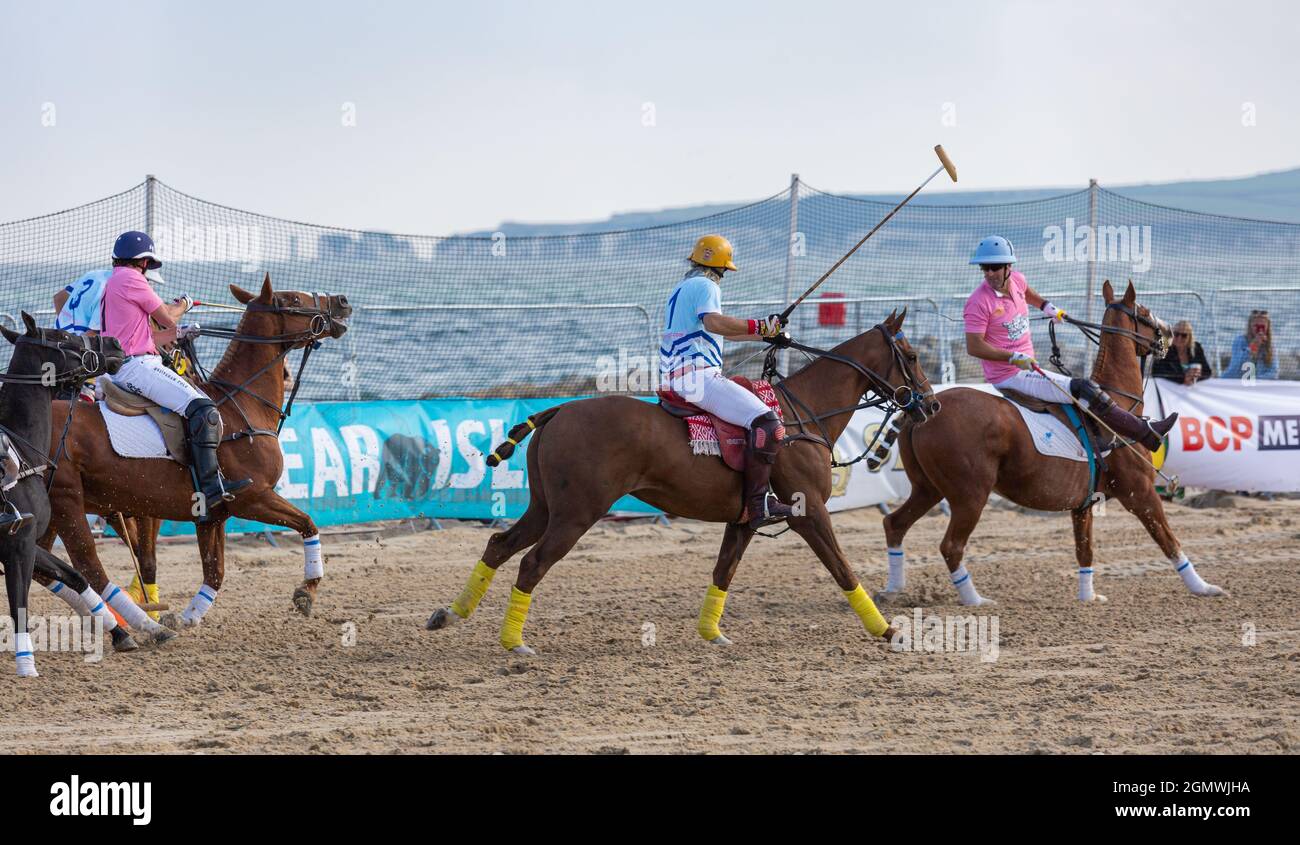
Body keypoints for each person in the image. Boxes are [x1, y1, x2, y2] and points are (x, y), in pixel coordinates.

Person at [962, 235, 1176, 450]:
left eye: (995, 267)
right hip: (1009, 376)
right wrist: (1012, 357)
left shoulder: (1017, 279)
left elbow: (1027, 293)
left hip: (1028, 367)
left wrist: (1049, 308)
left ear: (1009, 266)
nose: (989, 273)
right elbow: (974, 346)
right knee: (1083, 387)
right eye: (985, 268)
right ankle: (1145, 432)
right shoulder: (978, 302)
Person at [99, 231, 250, 519]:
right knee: (204, 409)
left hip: (127, 363)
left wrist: (179, 333)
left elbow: (146, 337)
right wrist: (184, 304)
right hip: (138, 367)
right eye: (147, 263)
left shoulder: (113, 282)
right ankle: (211, 488)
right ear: (142, 261)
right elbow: (166, 314)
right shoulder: (131, 279)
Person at [660, 234, 791, 528]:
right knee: (767, 422)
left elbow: (724, 332)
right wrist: (759, 324)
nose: (724, 277)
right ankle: (759, 504)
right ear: (719, 268)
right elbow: (714, 323)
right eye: (725, 271)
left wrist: (766, 333)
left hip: (677, 376)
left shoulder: (683, 287)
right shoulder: (706, 286)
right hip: (697, 377)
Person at [53, 266, 166, 401]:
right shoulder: (120, 289)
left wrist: (71, 329)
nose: (147, 284)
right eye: (147, 280)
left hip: (57, 349)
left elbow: (59, 298)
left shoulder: (95, 274)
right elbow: (94, 334)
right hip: (76, 362)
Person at [1153, 319, 1213, 385]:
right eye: (1176, 334)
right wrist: (1182, 379)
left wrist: (1195, 377)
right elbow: (1156, 371)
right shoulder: (1164, 347)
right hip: (1170, 390)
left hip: (1192, 390)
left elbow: (1207, 372)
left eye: (1184, 335)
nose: (1179, 338)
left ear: (1189, 337)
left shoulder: (1197, 348)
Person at [1224, 309, 1278, 380]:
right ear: (1250, 326)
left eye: (1262, 326)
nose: (1260, 330)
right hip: (1235, 382)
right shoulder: (1240, 341)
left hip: (1257, 385)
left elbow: (1274, 373)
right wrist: (1253, 347)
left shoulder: (1270, 345)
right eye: (1256, 326)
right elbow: (1235, 369)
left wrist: (1255, 381)